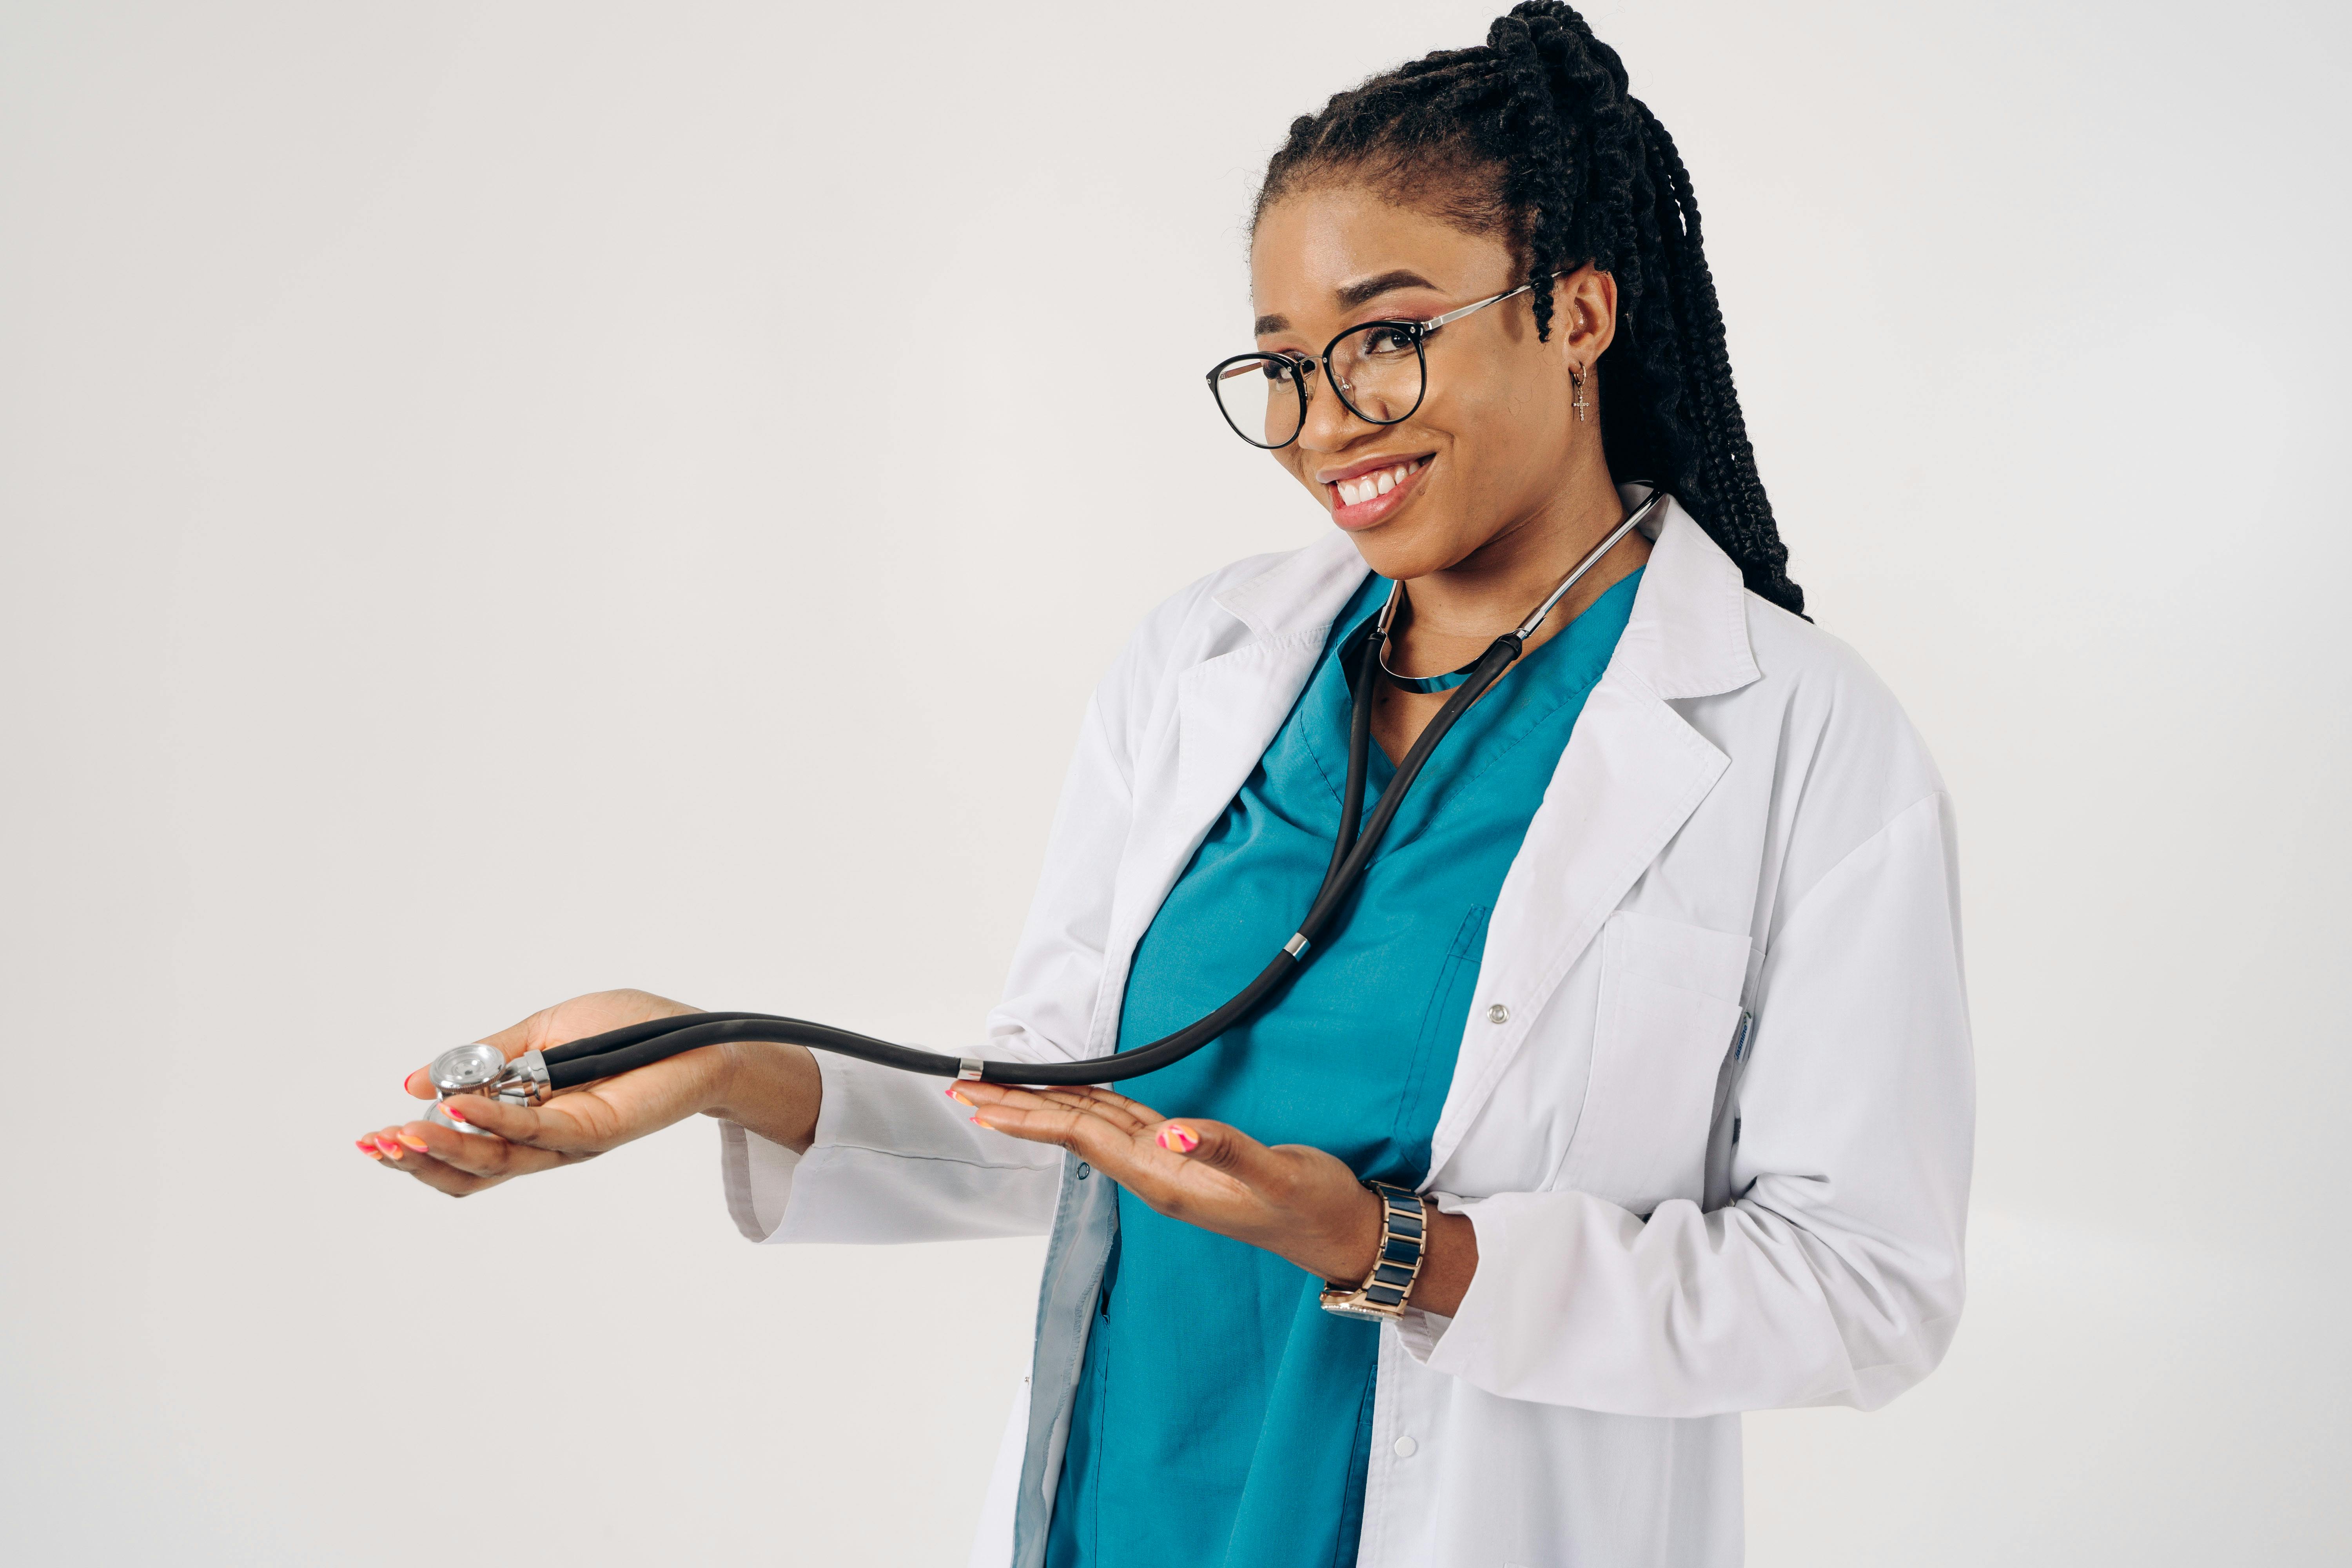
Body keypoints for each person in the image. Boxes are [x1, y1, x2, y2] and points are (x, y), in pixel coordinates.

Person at [354, 6, 1973, 1564]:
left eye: (1388, 339)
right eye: (1282, 365)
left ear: (1577, 313)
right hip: (1128, 1511)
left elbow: (1867, 1288)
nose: (1325, 424)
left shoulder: (1804, 739)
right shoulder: (1207, 664)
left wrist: (1395, 1250)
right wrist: (714, 1057)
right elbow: (1062, 1113)